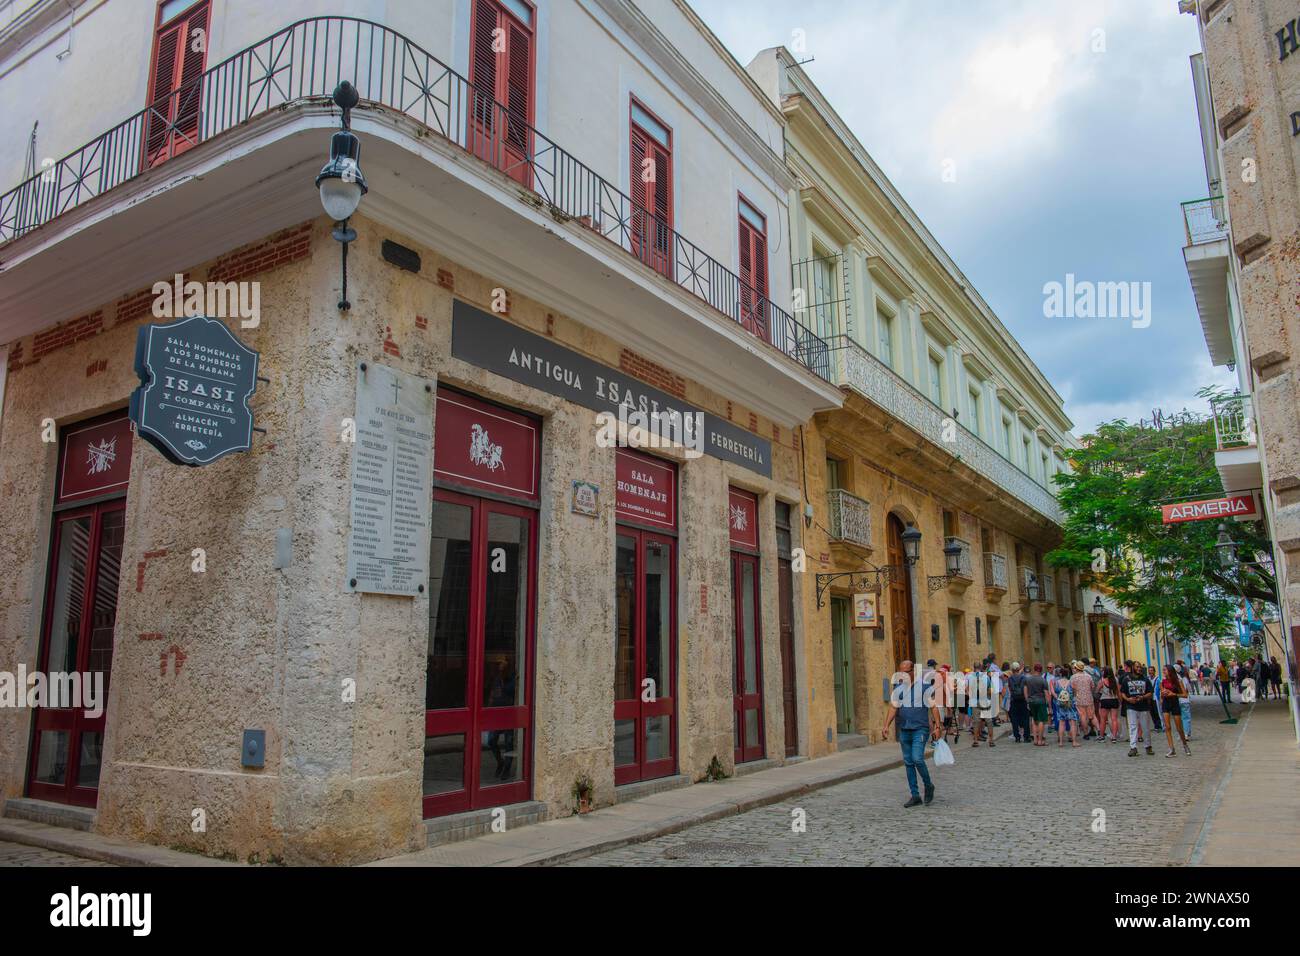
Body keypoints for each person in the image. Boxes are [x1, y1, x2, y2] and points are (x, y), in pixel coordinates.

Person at [882, 660, 942, 807]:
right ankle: (915, 795)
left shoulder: (925, 686)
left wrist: (938, 727)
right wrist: (886, 725)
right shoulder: (898, 687)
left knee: (917, 759)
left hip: (920, 729)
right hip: (904, 729)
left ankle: (928, 785)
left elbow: (933, 708)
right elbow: (893, 707)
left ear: (913, 671)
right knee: (908, 763)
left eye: (905, 672)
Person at [1120, 664, 1154, 756]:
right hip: (1131, 706)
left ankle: (1148, 746)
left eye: (1140, 667)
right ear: (1132, 668)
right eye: (1137, 667)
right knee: (1132, 727)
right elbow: (1122, 692)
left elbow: (1150, 693)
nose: (1139, 668)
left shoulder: (1145, 679)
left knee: (1145, 728)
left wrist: (1142, 697)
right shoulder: (1126, 679)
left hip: (1143, 707)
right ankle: (1133, 747)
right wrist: (1128, 699)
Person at [1160, 664, 1191, 756]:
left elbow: (1185, 695)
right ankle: (1171, 748)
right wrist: (1163, 694)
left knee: (1179, 728)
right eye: (1163, 670)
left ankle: (1185, 745)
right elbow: (1161, 694)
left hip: (1175, 703)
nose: (1163, 672)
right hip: (1166, 703)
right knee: (1167, 727)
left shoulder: (1178, 681)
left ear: (1170, 671)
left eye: (1165, 670)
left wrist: (1173, 694)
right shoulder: (1162, 681)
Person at [1071, 661, 1099, 740]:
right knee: (1092, 716)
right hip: (1089, 698)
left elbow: (1072, 688)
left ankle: (1086, 734)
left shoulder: (1073, 677)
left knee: (1083, 716)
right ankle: (1100, 731)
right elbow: (1092, 686)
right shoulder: (1088, 676)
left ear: (1076, 668)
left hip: (1079, 698)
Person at [1054, 666, 1080, 747]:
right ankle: (1074, 742)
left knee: (1061, 723)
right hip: (1070, 704)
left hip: (1060, 704)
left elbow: (1056, 692)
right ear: (1068, 674)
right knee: (1072, 723)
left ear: (1061, 674)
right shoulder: (1071, 682)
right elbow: (1076, 693)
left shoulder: (1057, 682)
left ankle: (1061, 742)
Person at [1025, 663, 1049, 746]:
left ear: (1034, 669)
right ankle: (1040, 740)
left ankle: (1035, 739)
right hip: (1041, 701)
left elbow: (1025, 690)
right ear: (1041, 670)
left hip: (1031, 701)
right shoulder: (1043, 680)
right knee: (1041, 720)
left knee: (1034, 720)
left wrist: (1027, 700)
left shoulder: (1028, 679)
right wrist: (1049, 705)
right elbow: (1046, 693)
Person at [1006, 662, 1030, 742]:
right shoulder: (1023, 678)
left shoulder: (1010, 678)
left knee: (1014, 719)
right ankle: (1026, 736)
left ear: (1012, 669)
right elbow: (1025, 688)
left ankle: (1017, 736)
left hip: (1014, 700)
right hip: (1023, 699)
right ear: (1019, 669)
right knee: (1025, 718)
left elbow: (1009, 689)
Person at [1097, 666, 1121, 742]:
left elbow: (1097, 690)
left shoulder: (1102, 680)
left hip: (1105, 700)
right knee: (1114, 719)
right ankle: (1114, 737)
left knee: (1103, 719)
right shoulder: (1116, 680)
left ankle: (1101, 736)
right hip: (1114, 700)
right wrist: (1120, 701)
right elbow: (1118, 691)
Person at [1176, 663, 1193, 740]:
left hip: (1177, 700)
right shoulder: (1184, 679)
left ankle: (1182, 733)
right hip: (1185, 700)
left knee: (1179, 718)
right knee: (1186, 717)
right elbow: (1189, 689)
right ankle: (1186, 733)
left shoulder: (1173, 680)